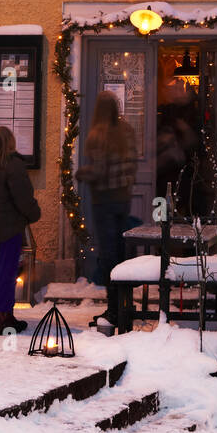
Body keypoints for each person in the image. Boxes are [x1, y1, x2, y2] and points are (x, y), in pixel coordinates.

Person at [77, 92, 138, 326]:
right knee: (122, 252)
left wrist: (82, 173)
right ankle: (125, 304)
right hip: (124, 199)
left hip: (103, 200)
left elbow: (98, 171)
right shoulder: (127, 132)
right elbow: (132, 166)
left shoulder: (98, 135)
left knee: (109, 254)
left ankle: (114, 310)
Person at [0, 127, 41, 336]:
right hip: (9, 228)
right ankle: (2, 317)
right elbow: (23, 197)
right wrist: (34, 213)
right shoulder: (13, 166)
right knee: (8, 273)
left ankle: (4, 313)